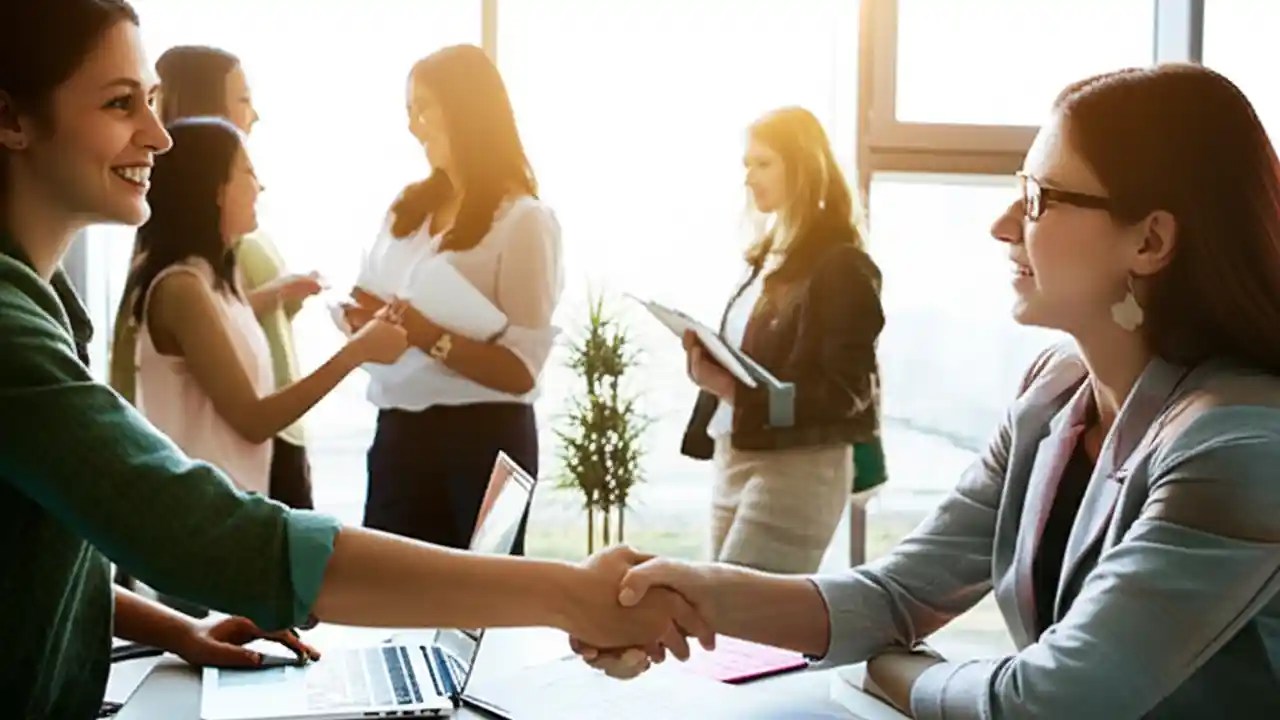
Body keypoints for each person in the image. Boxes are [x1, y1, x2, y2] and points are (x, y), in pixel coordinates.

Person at [0, 3, 704, 716]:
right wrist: (573, 595)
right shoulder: (9, 327)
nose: (157, 135)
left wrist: (179, 629)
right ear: (11, 118)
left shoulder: (45, 300)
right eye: (122, 105)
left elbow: (61, 537)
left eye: (150, 102)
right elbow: (195, 528)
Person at [576, 64, 1280, 719]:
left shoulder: (1239, 444)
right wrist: (687, 589)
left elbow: (1052, 701)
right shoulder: (1052, 395)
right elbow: (894, 595)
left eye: (1037, 198)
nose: (1003, 224)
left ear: (1150, 242)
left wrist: (886, 675)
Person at [344, 44, 561, 554]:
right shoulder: (408, 208)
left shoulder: (525, 220)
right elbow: (365, 291)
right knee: (392, 594)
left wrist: (428, 335)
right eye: (409, 111)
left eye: (423, 108)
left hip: (484, 441)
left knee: (481, 611)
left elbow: (522, 370)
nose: (414, 126)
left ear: (466, 111)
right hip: (399, 432)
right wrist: (366, 320)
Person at [109, 44, 322, 510]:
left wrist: (277, 295)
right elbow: (250, 415)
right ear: (213, 189)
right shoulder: (181, 283)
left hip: (246, 484)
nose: (259, 186)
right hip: (213, 504)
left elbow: (214, 326)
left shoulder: (211, 275)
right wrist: (356, 354)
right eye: (243, 99)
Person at [679, 106, 885, 573]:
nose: (749, 178)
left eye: (763, 163)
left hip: (798, 468)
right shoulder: (767, 260)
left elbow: (842, 394)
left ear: (803, 167)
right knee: (722, 620)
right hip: (737, 454)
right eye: (747, 165)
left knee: (741, 623)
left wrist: (734, 391)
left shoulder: (841, 267)